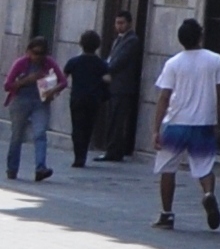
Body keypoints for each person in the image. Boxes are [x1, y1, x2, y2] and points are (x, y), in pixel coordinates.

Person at [151, 19, 220, 230]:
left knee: (168, 168)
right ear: (200, 36)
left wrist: (156, 129)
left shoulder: (173, 63)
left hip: (176, 122)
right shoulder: (216, 60)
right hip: (204, 122)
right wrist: (217, 122)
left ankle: (167, 214)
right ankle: (208, 194)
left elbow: (164, 97)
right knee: (204, 167)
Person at [4, 36, 65, 181]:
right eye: (35, 53)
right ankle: (12, 168)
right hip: (20, 101)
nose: (37, 57)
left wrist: (53, 90)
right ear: (28, 52)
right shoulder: (21, 63)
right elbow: (7, 85)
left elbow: (62, 81)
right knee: (17, 136)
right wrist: (27, 80)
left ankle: (40, 168)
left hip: (40, 102)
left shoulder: (49, 63)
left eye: (41, 53)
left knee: (40, 133)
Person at [101, 12, 142, 161]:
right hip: (114, 85)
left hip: (123, 86)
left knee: (117, 119)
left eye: (122, 23)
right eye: (117, 23)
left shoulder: (132, 40)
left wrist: (106, 69)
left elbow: (119, 61)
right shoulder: (118, 40)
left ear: (129, 23)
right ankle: (111, 149)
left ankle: (114, 151)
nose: (119, 26)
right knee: (112, 118)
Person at [65, 32, 109, 168]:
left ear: (81, 44)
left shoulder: (73, 62)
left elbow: (63, 77)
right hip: (94, 99)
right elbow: (108, 79)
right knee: (88, 127)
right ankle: (83, 153)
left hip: (77, 98)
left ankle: (79, 156)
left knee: (77, 127)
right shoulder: (101, 64)